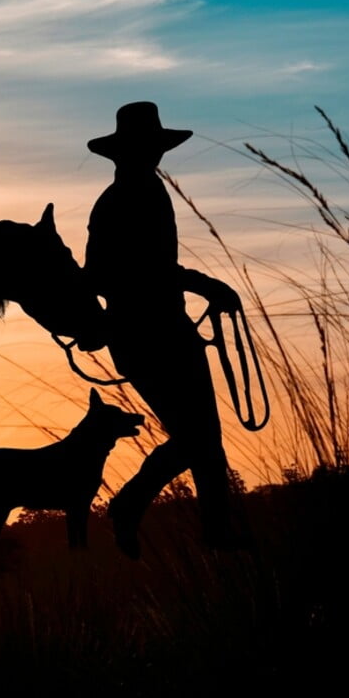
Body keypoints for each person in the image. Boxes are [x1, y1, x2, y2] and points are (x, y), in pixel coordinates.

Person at [84, 101, 244, 556]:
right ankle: (181, 522)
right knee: (201, 441)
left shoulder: (124, 197)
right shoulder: (135, 197)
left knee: (200, 441)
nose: (153, 156)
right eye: (148, 148)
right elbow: (144, 270)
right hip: (157, 335)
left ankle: (203, 530)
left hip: (145, 336)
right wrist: (205, 284)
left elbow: (101, 272)